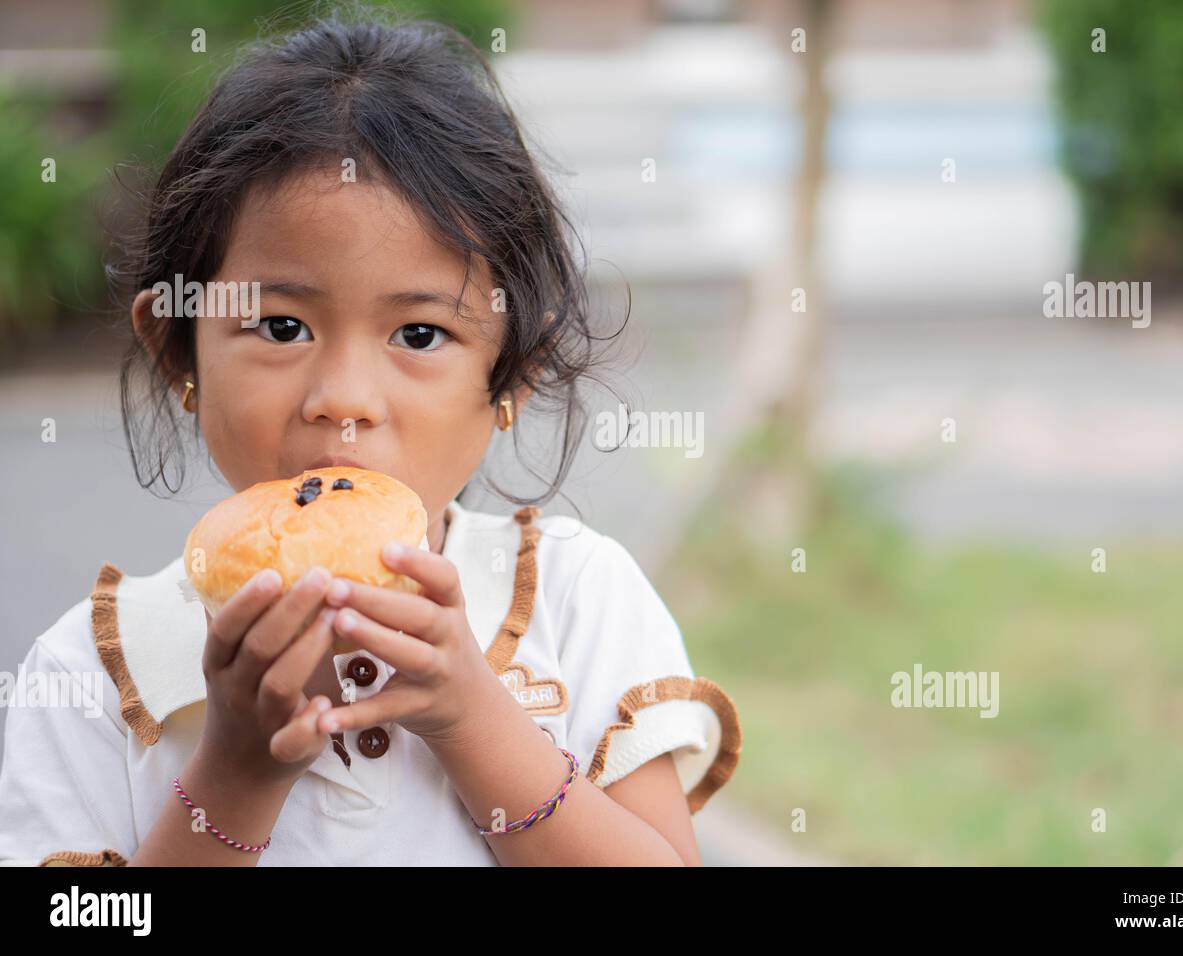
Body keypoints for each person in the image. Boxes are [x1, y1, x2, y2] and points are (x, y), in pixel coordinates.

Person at [0, 10, 740, 867]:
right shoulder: (92, 674)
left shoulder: (578, 606)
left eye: (419, 336)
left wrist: (473, 719)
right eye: (280, 326)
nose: (343, 402)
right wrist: (236, 773)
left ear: (516, 371)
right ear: (178, 349)